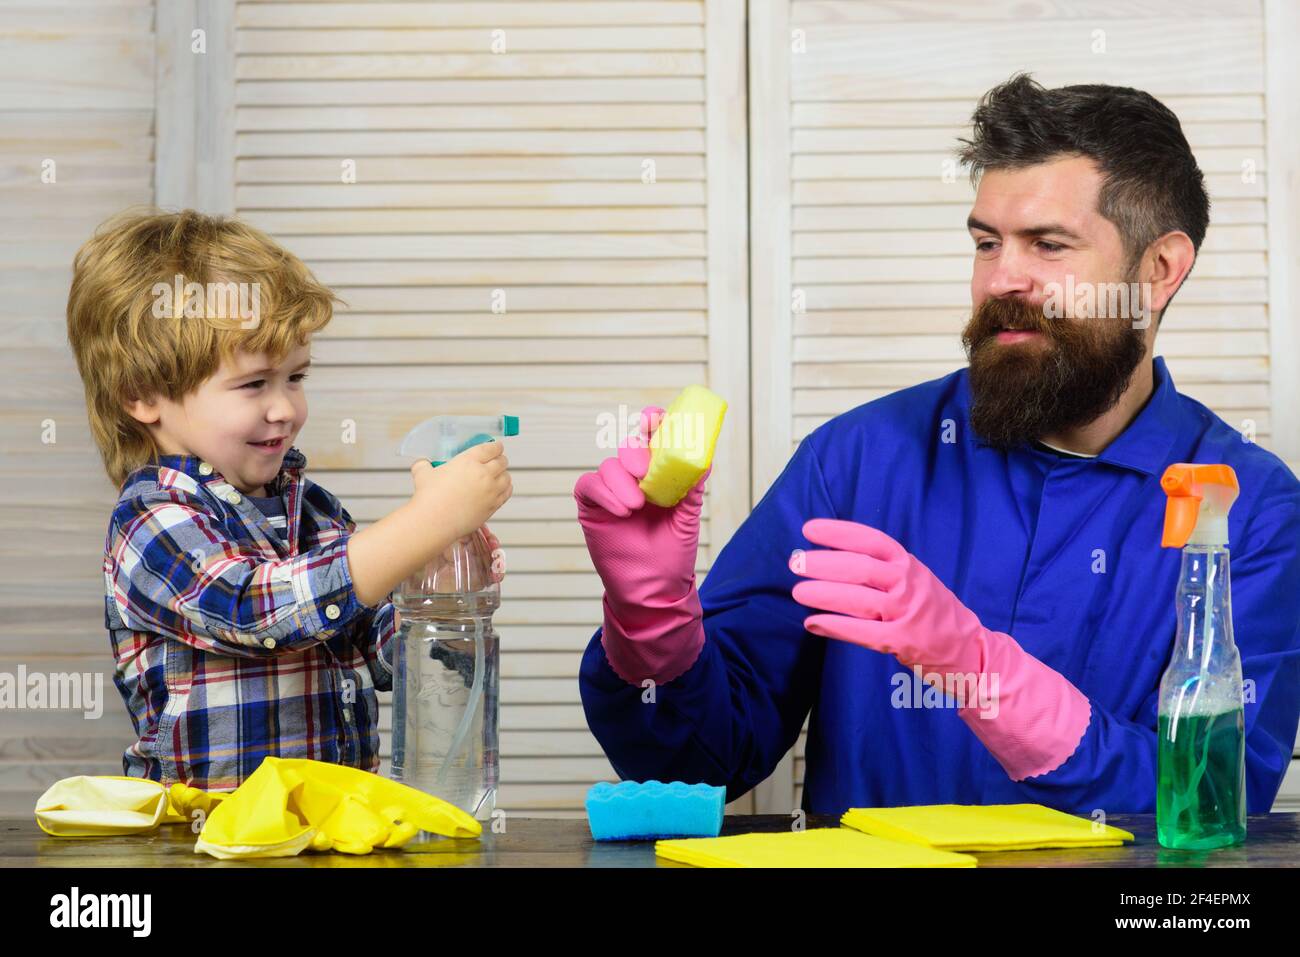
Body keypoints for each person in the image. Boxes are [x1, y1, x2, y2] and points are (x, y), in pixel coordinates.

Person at [574, 75, 1300, 814]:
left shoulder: (1251, 510)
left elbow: (1214, 802)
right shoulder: (857, 463)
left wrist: (984, 672)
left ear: (1159, 270)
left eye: (1048, 244)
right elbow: (708, 762)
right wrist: (652, 623)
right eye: (987, 243)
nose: (1002, 279)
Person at [67, 209, 511, 788]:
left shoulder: (315, 510)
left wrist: (439, 572)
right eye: (254, 384)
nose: (285, 409)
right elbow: (253, 610)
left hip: (332, 827)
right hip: (210, 838)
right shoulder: (153, 518)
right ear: (142, 395)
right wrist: (423, 523)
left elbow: (383, 654)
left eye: (296, 379)